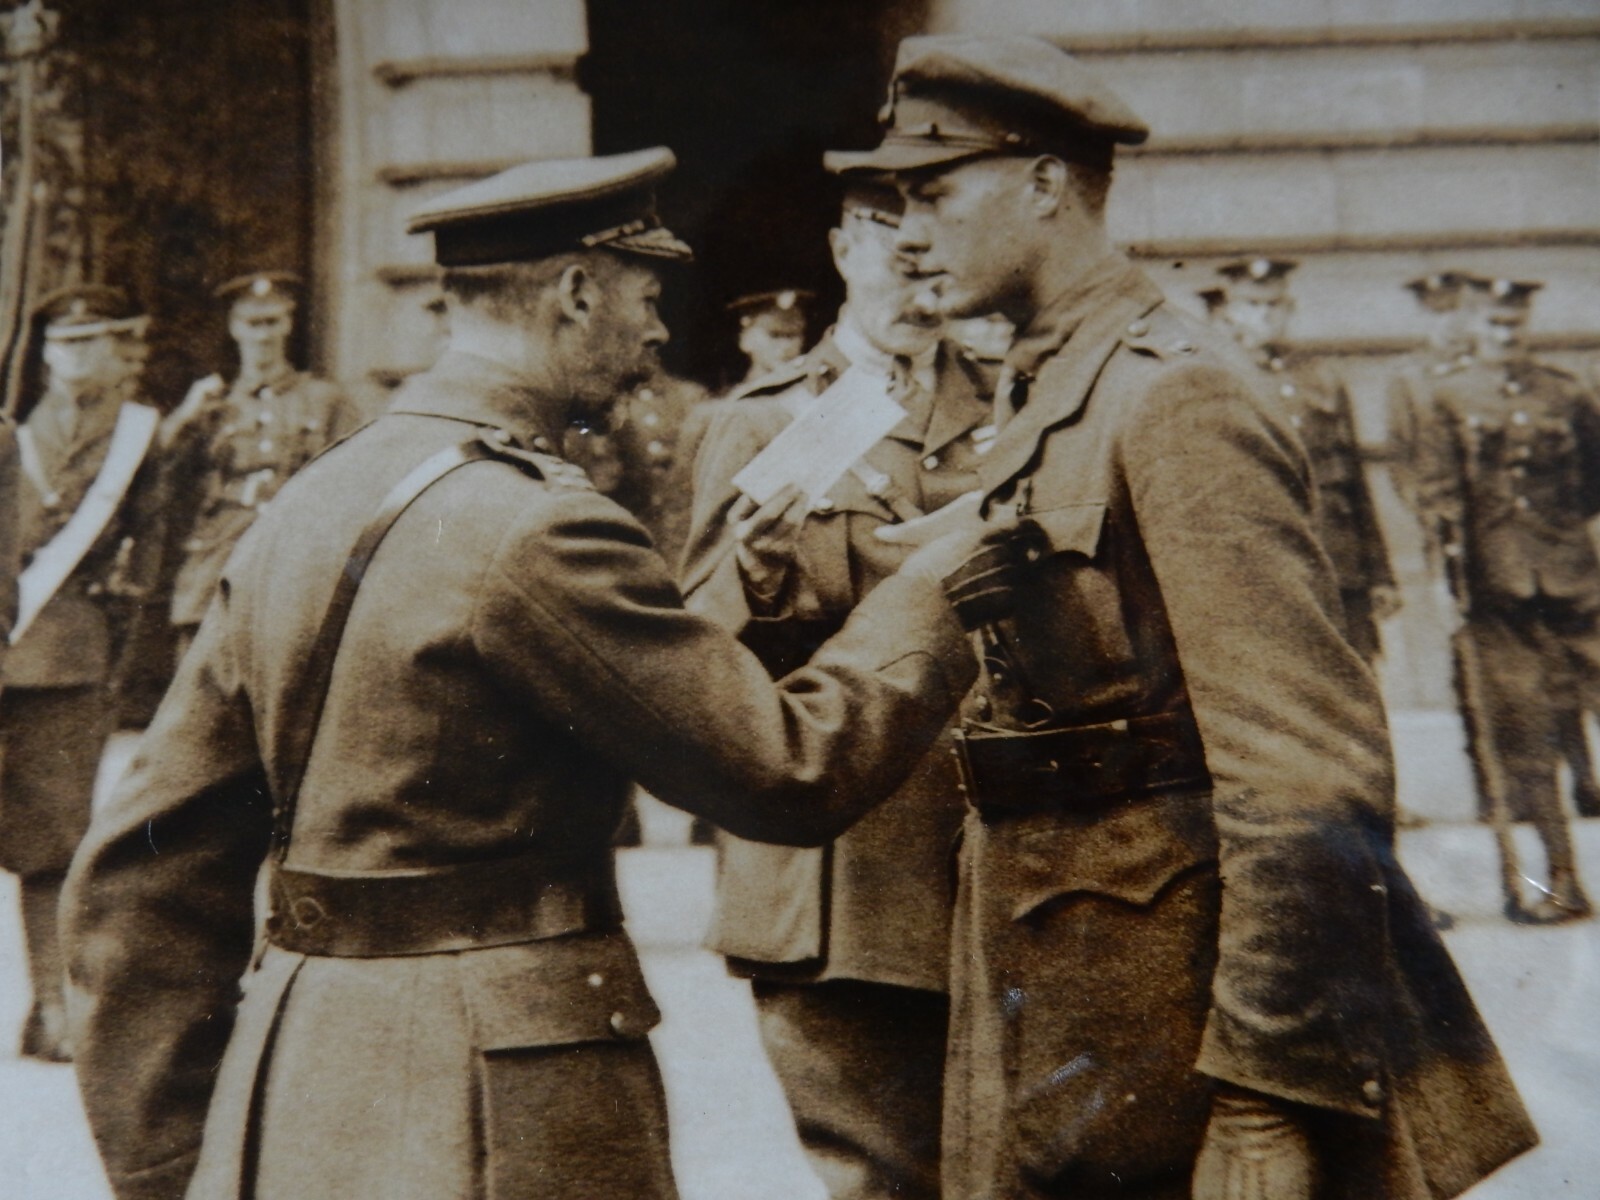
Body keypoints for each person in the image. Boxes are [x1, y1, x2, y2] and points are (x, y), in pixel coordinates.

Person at [61, 147, 990, 1200]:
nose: (653, 333)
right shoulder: (541, 529)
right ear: (577, 292)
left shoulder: (312, 500)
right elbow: (786, 770)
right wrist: (947, 577)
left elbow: (139, 875)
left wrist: (179, 1163)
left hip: (299, 1082)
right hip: (506, 1098)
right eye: (645, 298)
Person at [833, 34, 1537, 1199]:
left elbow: (1303, 765)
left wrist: (1266, 1089)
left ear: (1045, 184)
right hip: (1063, 979)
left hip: (1172, 1015)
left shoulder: (1174, 390)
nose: (904, 233)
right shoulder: (1051, 374)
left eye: (933, 192)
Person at [680, 170, 993, 1200]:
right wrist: (762, 576)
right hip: (850, 872)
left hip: (1000, 856)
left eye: (936, 260)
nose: (920, 285)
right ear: (843, 251)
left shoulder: (1008, 401)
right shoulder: (767, 422)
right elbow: (701, 654)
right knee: (885, 1176)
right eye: (898, 259)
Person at [4, 284, 164, 1063]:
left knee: (52, 839)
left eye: (91, 342)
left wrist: (114, 657)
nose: (75, 357)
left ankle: (54, 1011)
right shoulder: (15, 426)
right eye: (63, 345)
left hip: (63, 659)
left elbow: (150, 554)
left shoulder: (137, 436)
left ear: (114, 350)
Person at [1412, 276, 1598, 924]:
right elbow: (1438, 496)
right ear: (1477, 327)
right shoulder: (1447, 396)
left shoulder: (1566, 393)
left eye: (1514, 326)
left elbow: (1593, 484)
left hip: (1575, 583)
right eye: (1494, 326)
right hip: (1496, 592)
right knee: (1524, 737)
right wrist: (1447, 581)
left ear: (1528, 327)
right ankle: (1557, 881)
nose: (1505, 337)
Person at [1200, 257, 1396, 664]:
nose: (1265, 316)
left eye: (1273, 305)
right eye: (1253, 305)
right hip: (1265, 569)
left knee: (1355, 688)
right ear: (1232, 311)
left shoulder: (1322, 377)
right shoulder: (1215, 379)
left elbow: (1356, 483)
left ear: (1289, 309)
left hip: (1339, 563)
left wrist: (1380, 574)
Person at [160, 271, 359, 659]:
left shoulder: (326, 400)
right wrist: (184, 418)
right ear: (235, 329)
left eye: (272, 322)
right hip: (219, 557)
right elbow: (159, 477)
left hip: (295, 561)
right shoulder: (211, 405)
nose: (263, 336)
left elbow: (355, 485)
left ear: (288, 323)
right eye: (253, 324)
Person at [728, 288, 813, 388]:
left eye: (792, 334)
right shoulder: (728, 402)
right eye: (774, 335)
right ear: (746, 338)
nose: (786, 345)